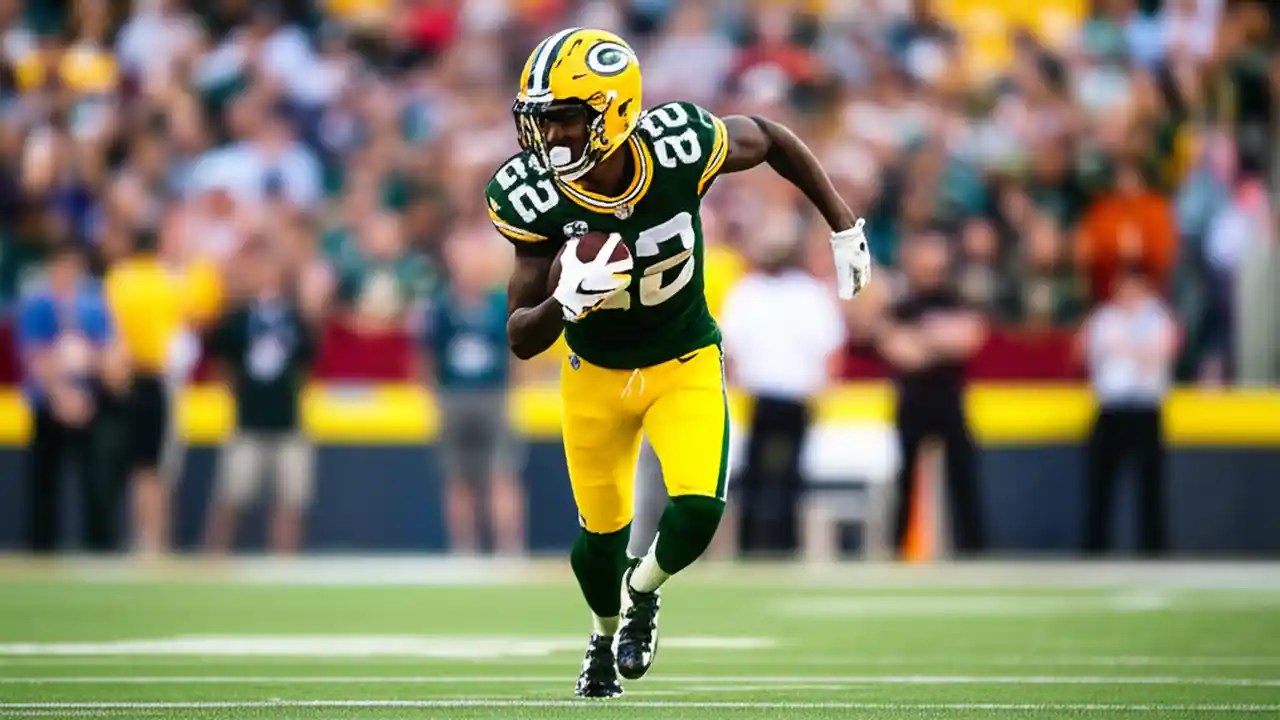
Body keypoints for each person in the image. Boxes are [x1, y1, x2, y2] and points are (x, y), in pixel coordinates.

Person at [487, 28, 871, 698]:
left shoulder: (678, 146)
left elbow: (772, 138)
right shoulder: (535, 196)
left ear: (613, 112)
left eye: (565, 120)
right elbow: (521, 337)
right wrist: (563, 303)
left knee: (696, 512)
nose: (550, 138)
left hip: (683, 356)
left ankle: (645, 591)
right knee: (596, 548)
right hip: (595, 375)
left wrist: (842, 223)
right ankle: (603, 633)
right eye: (541, 122)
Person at [720, 225, 846, 556]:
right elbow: (831, 347)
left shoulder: (752, 291)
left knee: (766, 476)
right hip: (780, 396)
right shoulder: (804, 293)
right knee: (778, 476)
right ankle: (775, 544)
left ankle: (760, 545)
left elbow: (730, 349)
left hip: (774, 396)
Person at [878, 227, 987, 557]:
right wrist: (938, 340)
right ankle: (898, 550)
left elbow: (969, 339)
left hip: (949, 400)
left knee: (963, 477)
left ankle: (973, 550)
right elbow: (897, 350)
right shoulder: (902, 303)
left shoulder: (956, 298)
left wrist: (922, 340)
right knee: (904, 479)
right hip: (912, 402)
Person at [203, 241, 316, 555]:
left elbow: (308, 360)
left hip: (287, 419)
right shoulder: (238, 318)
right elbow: (219, 359)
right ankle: (216, 556)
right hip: (247, 419)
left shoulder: (295, 318)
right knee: (231, 495)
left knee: (291, 499)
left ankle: (284, 562)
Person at [17, 244, 127, 552]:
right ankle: (40, 547)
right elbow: (35, 356)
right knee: (43, 481)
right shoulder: (38, 305)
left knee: (98, 480)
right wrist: (59, 394)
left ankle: (100, 547)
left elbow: (110, 352)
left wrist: (90, 375)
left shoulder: (94, 305)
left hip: (91, 400)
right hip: (49, 403)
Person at [424, 237, 525, 556]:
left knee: (502, 473)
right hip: (453, 396)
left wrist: (514, 388)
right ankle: (464, 549)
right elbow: (427, 354)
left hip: (493, 395)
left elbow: (518, 350)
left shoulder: (501, 304)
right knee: (457, 477)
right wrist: (432, 394)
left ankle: (509, 547)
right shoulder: (441, 305)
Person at [1080, 263, 1177, 555]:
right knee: (1100, 486)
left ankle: (1154, 551)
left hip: (1145, 408)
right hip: (1111, 409)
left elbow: (1158, 355)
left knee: (1151, 486)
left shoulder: (1159, 318)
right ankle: (1094, 550)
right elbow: (1093, 350)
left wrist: (1127, 349)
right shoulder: (1103, 319)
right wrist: (1135, 349)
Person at [103, 228, 184, 555]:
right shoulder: (168, 281)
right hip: (154, 377)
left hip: (120, 377)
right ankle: (153, 539)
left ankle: (141, 537)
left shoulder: (118, 279)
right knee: (154, 467)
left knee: (135, 467)